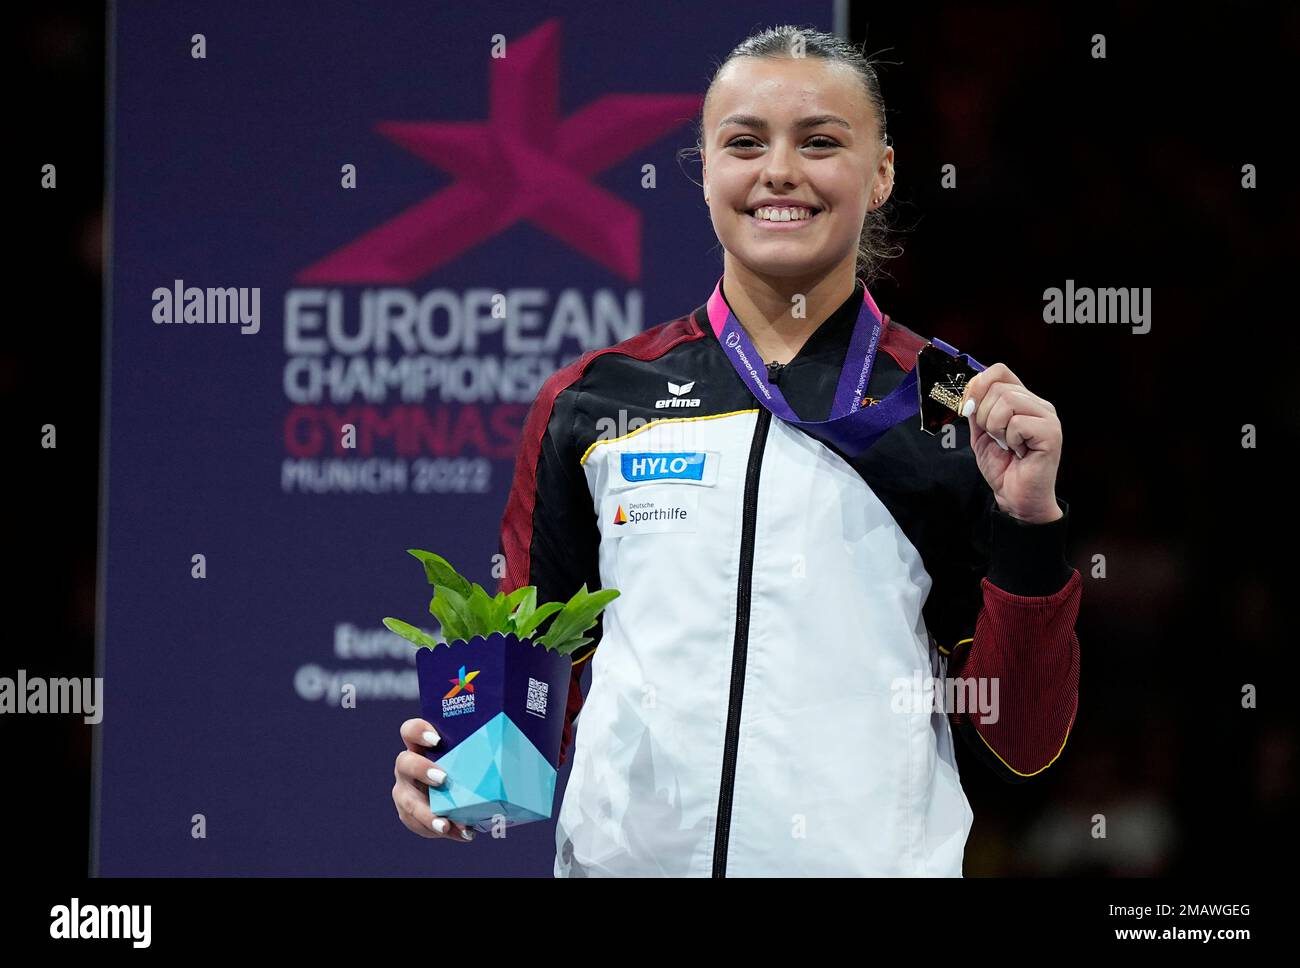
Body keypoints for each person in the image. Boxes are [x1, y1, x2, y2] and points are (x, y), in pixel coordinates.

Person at [393, 24, 1080, 875]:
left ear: (883, 175)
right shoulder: (594, 401)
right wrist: (453, 759)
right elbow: (535, 676)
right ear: (706, 172)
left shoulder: (952, 409)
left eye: (821, 142)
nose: (779, 171)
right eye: (745, 142)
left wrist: (1029, 523)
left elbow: (1024, 738)